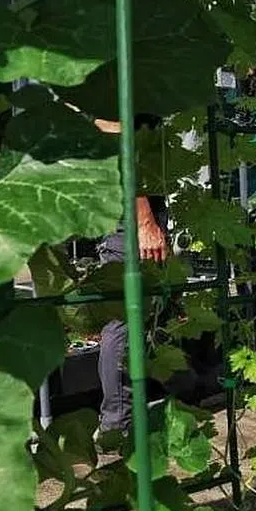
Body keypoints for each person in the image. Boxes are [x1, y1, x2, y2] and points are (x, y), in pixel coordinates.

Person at [94, 116, 169, 436]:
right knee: (124, 320)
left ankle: (126, 417)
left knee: (137, 317)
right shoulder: (112, 90)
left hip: (135, 210)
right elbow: (117, 140)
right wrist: (144, 219)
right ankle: (117, 424)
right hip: (129, 216)